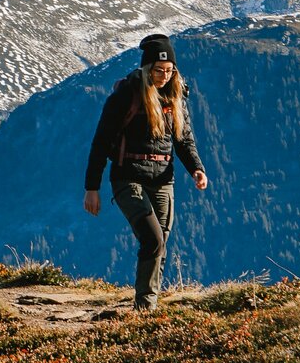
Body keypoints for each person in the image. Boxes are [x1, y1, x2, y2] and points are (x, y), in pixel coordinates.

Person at [83, 32, 208, 310]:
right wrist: (92, 188)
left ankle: (147, 306)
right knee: (152, 239)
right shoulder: (126, 95)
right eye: (158, 70)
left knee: (160, 244)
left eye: (168, 70)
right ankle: (145, 307)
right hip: (128, 178)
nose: (163, 75)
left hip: (163, 178)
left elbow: (183, 140)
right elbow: (101, 142)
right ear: (146, 68)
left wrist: (196, 169)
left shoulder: (176, 97)